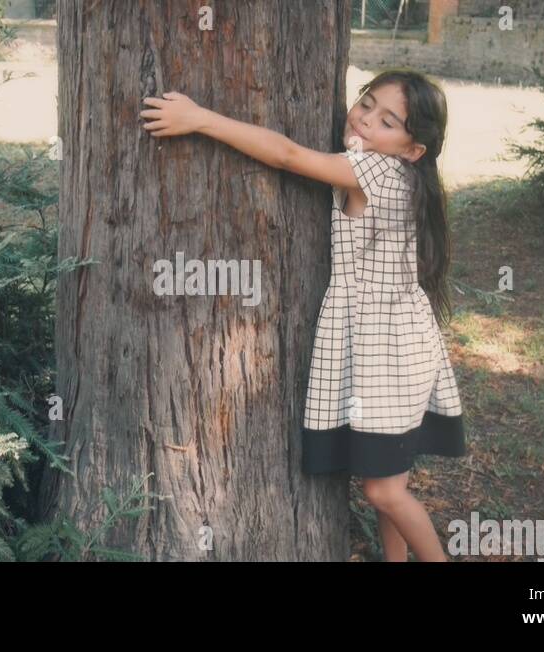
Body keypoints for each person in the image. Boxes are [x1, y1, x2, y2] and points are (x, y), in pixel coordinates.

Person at [140, 69, 467, 562]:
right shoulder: (399, 175)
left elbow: (288, 155)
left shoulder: (374, 169)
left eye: (388, 121)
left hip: (386, 353)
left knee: (383, 492)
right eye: (366, 103)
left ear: (412, 149)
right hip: (399, 342)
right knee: (387, 480)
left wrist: (201, 118)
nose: (364, 120)